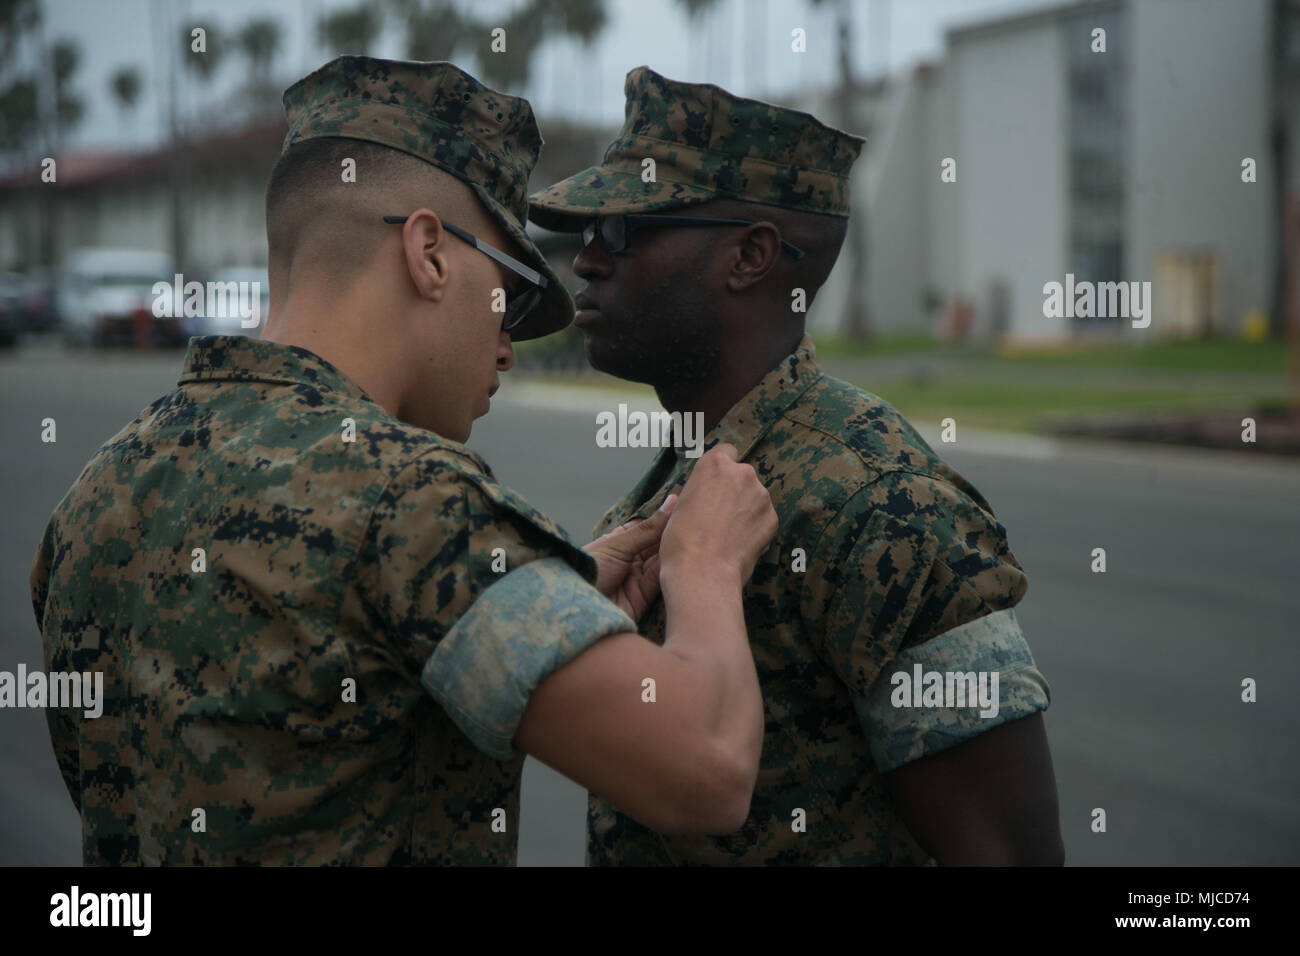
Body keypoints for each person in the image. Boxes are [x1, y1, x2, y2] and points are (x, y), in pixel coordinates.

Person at [28, 56, 776, 865]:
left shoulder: (100, 492)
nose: (507, 348)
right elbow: (707, 770)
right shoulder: (410, 499)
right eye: (513, 293)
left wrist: (546, 598)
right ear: (429, 253)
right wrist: (703, 566)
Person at [530, 66, 1064, 866]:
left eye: (623, 231)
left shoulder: (882, 503)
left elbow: (1007, 854)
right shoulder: (686, 475)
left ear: (750, 257)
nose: (587, 261)